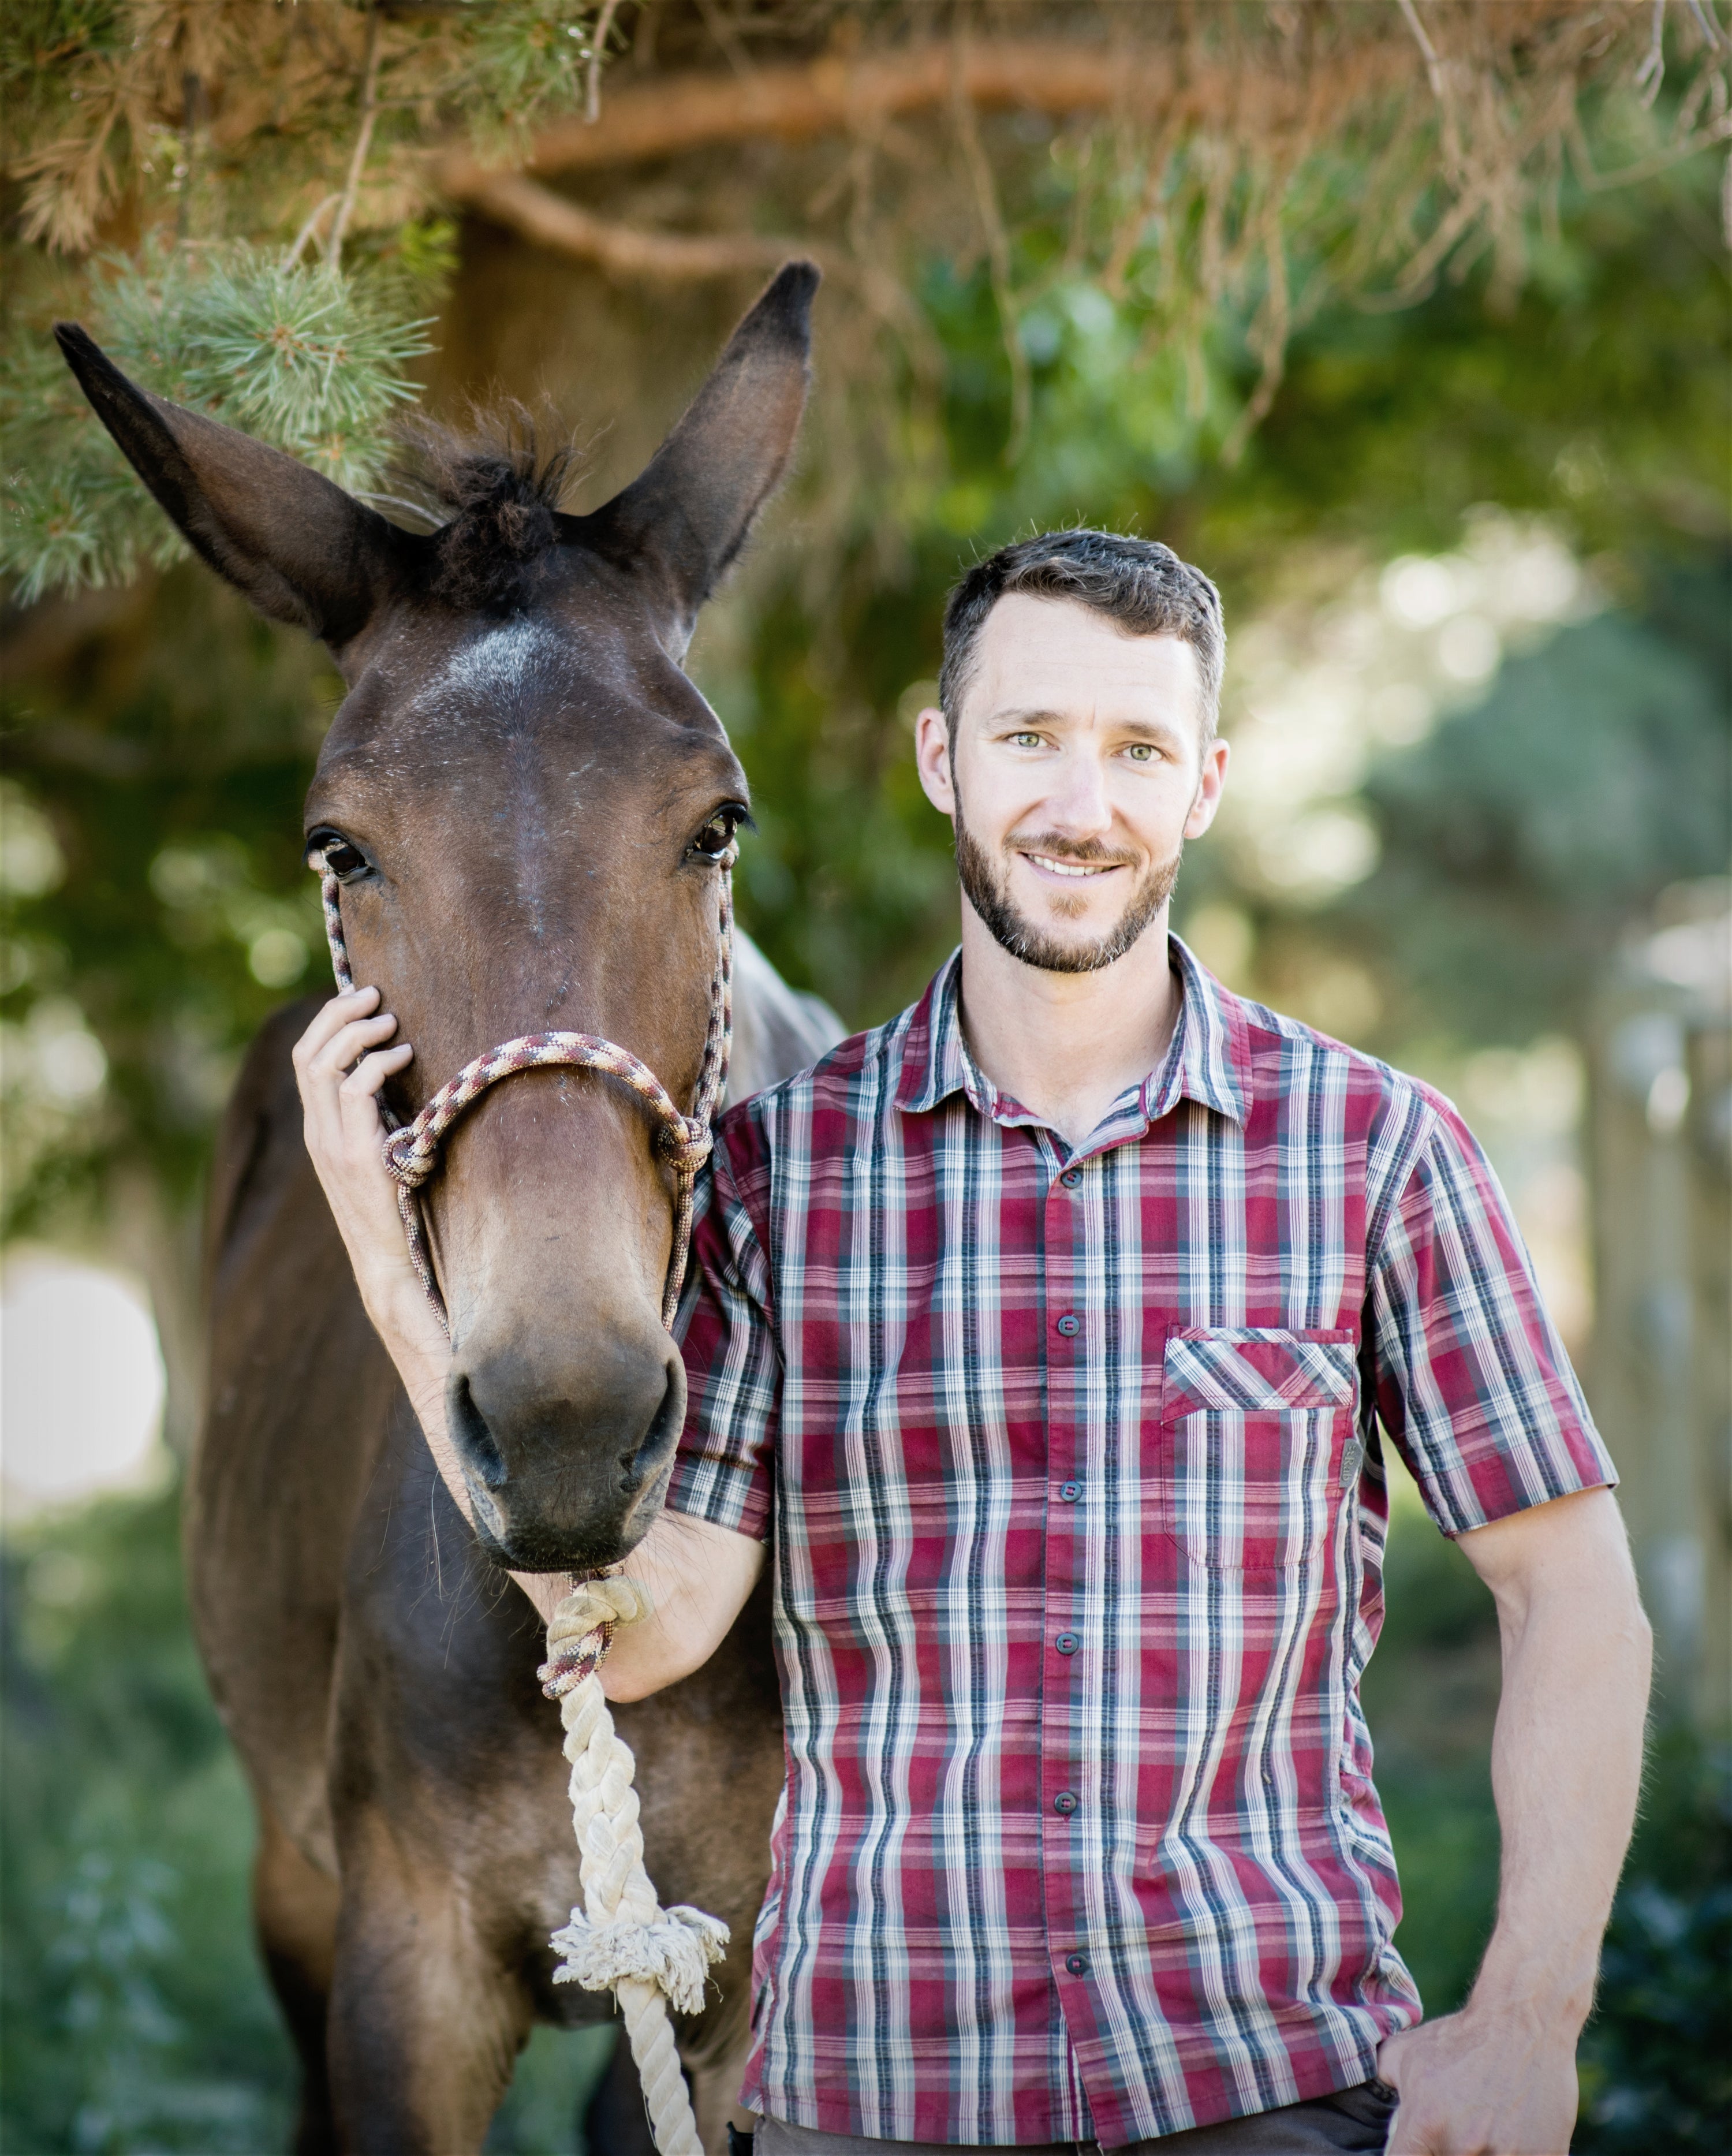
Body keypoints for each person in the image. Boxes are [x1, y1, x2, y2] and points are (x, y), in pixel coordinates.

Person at [298, 529, 1652, 2155]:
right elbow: (634, 1627)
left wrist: (1526, 2018)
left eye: (1137, 749)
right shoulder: (777, 1177)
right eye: (1031, 738)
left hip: (1269, 2092)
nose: (1083, 806)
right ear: (940, 757)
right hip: (875, 2104)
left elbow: (1569, 1588)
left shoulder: (1376, 1153)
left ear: (1205, 784)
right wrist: (397, 1276)